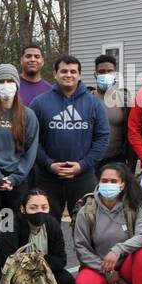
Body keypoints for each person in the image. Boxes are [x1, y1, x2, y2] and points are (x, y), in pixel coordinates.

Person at [0, 63, 40, 280]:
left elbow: (30, 151)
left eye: (10, 81)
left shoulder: (27, 115)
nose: (6, 85)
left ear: (17, 85)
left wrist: (14, 178)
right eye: (1, 81)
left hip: (15, 186)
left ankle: (6, 276)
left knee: (9, 231)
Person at [72, 163, 142, 284]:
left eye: (113, 181)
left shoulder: (136, 205)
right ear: (98, 182)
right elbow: (81, 247)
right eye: (104, 181)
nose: (108, 185)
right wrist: (106, 270)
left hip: (127, 263)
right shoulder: (86, 210)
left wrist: (117, 250)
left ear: (122, 184)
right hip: (100, 265)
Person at [29, 55, 110, 217]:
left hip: (83, 176)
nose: (68, 75)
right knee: (46, 223)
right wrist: (48, 164)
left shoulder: (94, 104)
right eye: (64, 71)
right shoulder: (39, 103)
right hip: (47, 177)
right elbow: (30, 139)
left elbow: (103, 138)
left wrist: (83, 165)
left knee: (86, 223)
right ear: (55, 74)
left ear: (79, 75)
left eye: (73, 71)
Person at [0, 187, 74, 284]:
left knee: (66, 281)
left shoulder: (52, 224)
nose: (39, 212)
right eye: (33, 208)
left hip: (41, 272)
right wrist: (41, 260)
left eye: (44, 207)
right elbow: (7, 260)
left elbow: (61, 260)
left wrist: (33, 262)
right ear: (23, 209)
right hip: (14, 275)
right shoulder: (10, 223)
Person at [89, 54, 133, 170]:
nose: (106, 75)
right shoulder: (86, 100)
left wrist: (131, 164)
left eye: (110, 71)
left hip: (117, 159)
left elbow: (132, 134)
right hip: (90, 160)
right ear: (95, 74)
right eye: (101, 72)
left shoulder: (124, 101)